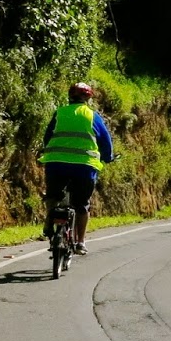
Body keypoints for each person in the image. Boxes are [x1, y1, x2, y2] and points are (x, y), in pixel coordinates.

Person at [39, 82, 115, 255]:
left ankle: (49, 222)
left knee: (53, 196)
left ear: (70, 96)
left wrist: (50, 150)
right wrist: (108, 157)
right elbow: (105, 141)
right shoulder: (92, 116)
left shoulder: (60, 113)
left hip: (56, 164)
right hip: (84, 167)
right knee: (82, 205)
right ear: (88, 98)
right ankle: (80, 242)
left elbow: (47, 137)